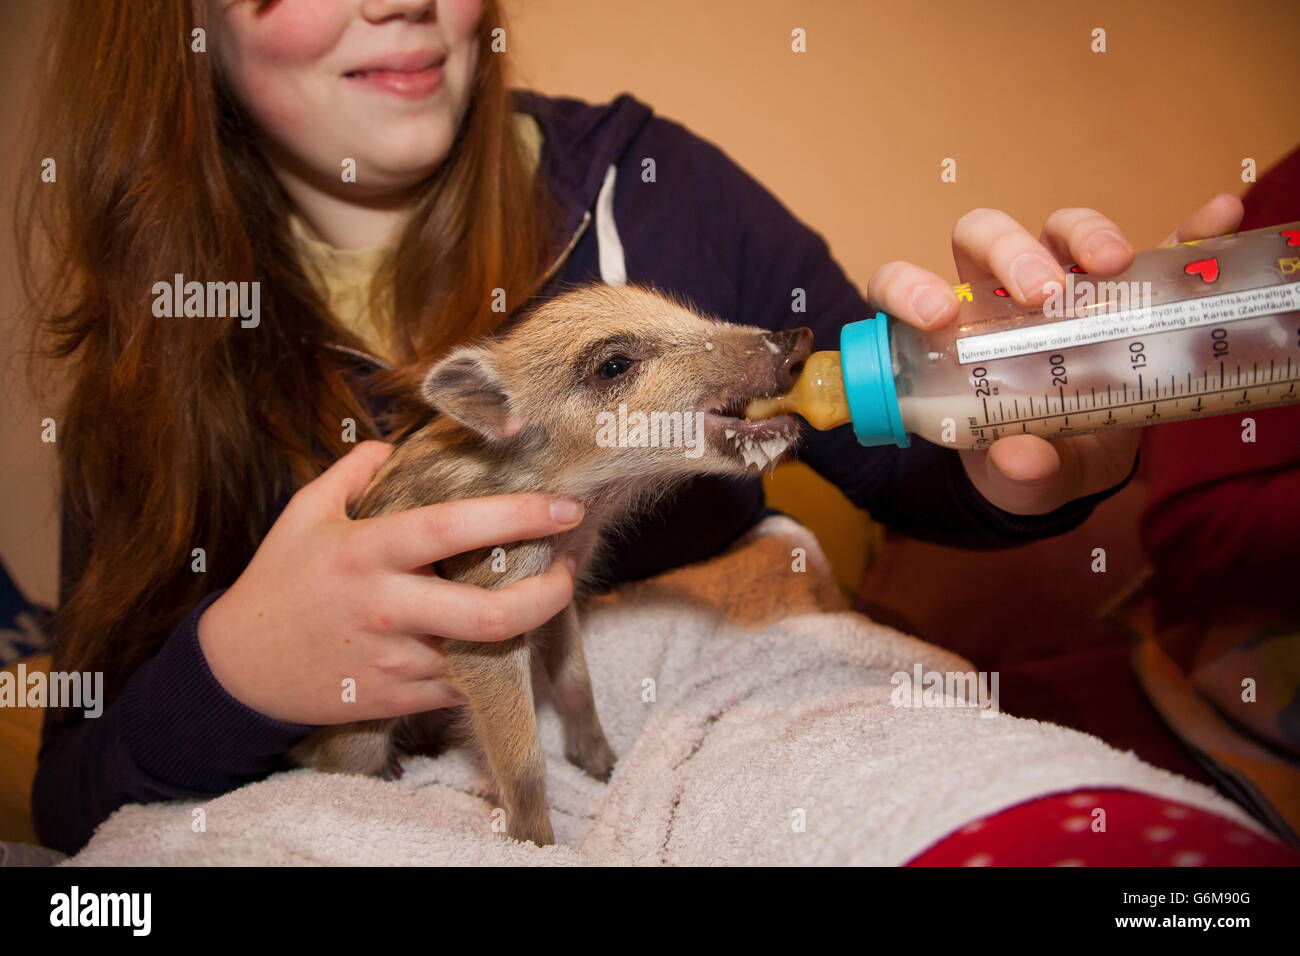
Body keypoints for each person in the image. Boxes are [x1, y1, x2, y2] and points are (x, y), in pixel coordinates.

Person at [20, 0, 1235, 854]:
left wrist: (1029, 450)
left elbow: (890, 444)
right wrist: (237, 665)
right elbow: (77, 802)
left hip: (733, 717)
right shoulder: (150, 354)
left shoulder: (659, 190)